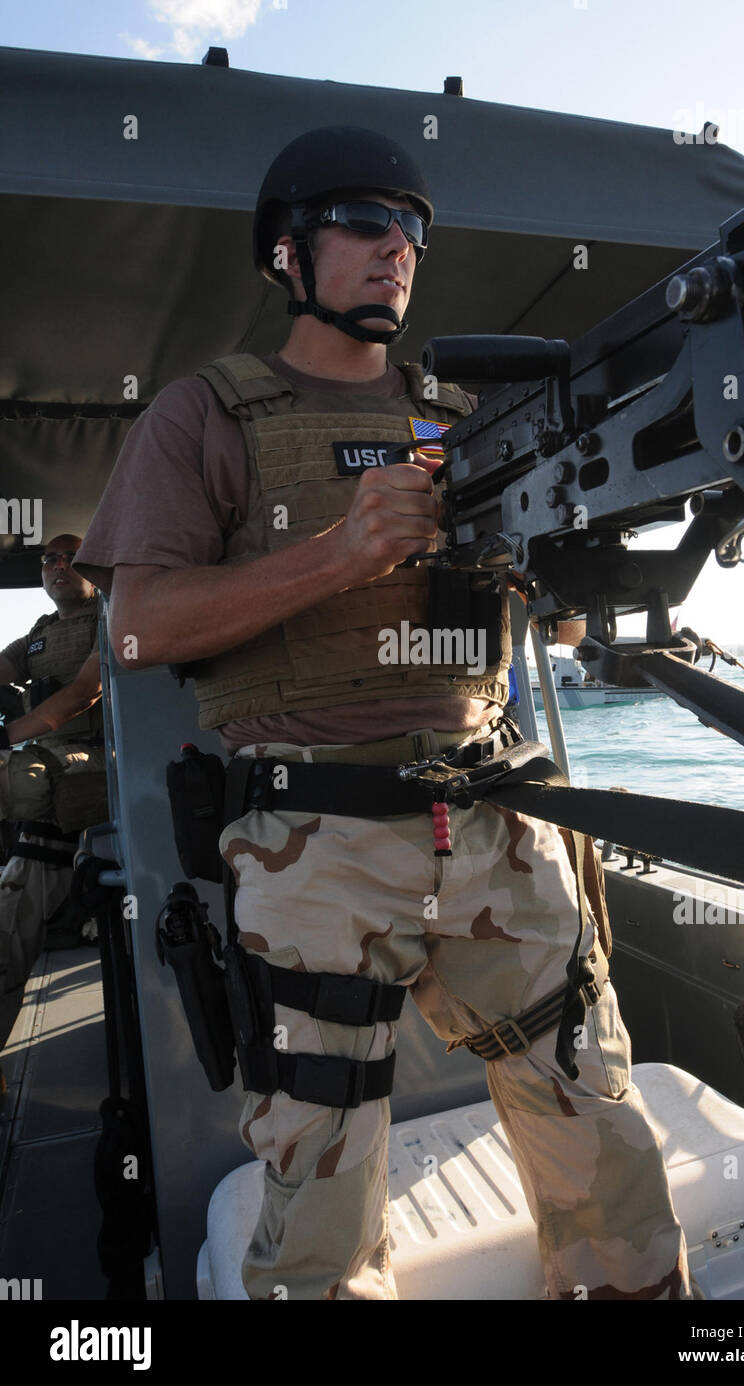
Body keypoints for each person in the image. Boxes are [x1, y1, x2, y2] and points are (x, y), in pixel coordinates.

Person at [74, 127, 697, 1300]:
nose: (393, 250)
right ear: (288, 253)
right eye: (362, 223)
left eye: (409, 229)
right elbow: (140, 628)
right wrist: (338, 550)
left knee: (598, 1124)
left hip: (493, 809)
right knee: (319, 1195)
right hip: (317, 841)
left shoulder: (466, 420)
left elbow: (536, 630)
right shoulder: (204, 414)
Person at [0, 534, 107, 1072]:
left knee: (24, 779)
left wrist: (8, 734)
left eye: (69, 558)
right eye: (49, 559)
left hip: (104, 763)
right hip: (50, 774)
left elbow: (86, 691)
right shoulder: (38, 636)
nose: (57, 565)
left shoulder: (112, 614)